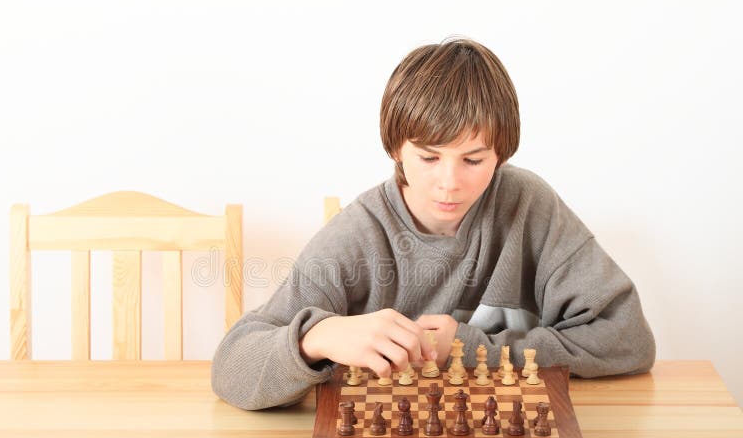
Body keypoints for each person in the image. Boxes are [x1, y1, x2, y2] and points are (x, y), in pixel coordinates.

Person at [211, 37, 656, 410]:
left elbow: (629, 340)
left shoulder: (527, 205)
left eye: (473, 159)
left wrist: (473, 349)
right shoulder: (357, 235)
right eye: (428, 157)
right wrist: (317, 337)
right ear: (395, 149)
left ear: (501, 154)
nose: (449, 184)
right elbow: (231, 367)